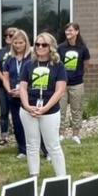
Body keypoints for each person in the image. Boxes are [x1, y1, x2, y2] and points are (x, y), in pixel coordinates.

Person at [19, 33, 68, 179]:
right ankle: (34, 176)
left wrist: (45, 108)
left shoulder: (58, 66)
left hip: (50, 111)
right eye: (37, 44)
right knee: (32, 144)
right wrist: (27, 106)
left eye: (44, 45)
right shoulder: (28, 64)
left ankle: (61, 178)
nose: (40, 47)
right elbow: (22, 87)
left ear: (51, 47)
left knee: (53, 145)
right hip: (29, 110)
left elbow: (60, 90)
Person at [58, 23, 90, 144]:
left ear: (77, 32)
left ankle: (76, 135)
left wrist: (78, 75)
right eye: (66, 30)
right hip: (62, 85)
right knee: (61, 110)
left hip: (77, 84)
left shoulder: (83, 48)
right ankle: (60, 134)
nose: (68, 32)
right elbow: (58, 65)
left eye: (71, 30)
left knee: (77, 110)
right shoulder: (61, 47)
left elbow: (85, 65)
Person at [1, 29, 30, 158]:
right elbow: (5, 77)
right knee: (17, 123)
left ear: (26, 43)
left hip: (28, 96)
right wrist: (9, 90)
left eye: (20, 43)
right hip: (13, 96)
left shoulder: (31, 58)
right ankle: (22, 149)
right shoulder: (10, 59)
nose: (18, 45)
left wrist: (23, 91)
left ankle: (41, 148)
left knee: (31, 123)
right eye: (15, 43)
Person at [0, 27, 18, 145]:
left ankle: (18, 134)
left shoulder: (19, 51)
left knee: (16, 112)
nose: (8, 37)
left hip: (16, 87)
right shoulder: (1, 51)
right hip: (2, 87)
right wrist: (4, 79)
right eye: (6, 35)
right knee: (3, 111)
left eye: (11, 35)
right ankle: (4, 135)